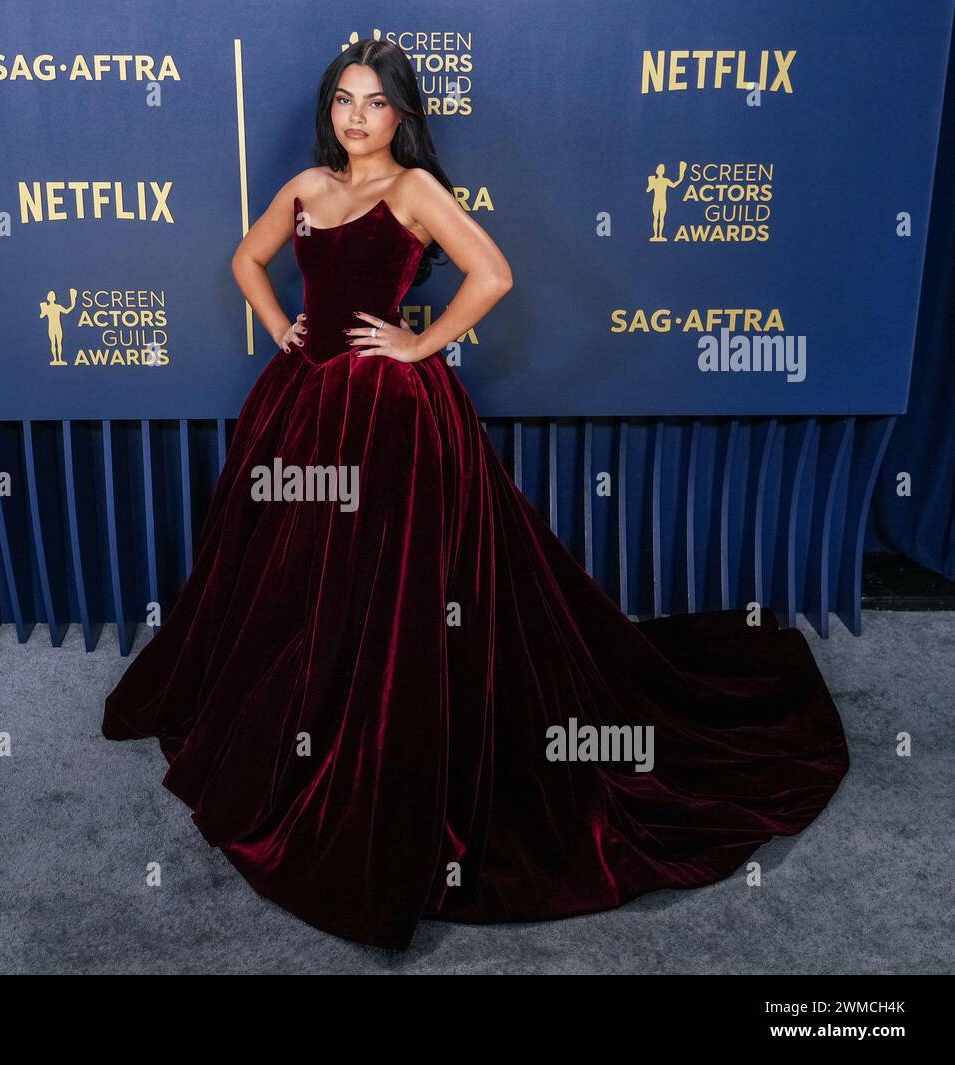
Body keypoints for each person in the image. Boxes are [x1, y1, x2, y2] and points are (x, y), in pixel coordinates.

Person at [101, 38, 849, 951]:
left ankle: (375, 743)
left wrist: (420, 345)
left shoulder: (413, 191)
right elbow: (246, 263)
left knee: (396, 589)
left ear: (403, 115)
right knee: (292, 577)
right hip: (301, 410)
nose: (357, 117)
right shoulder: (305, 187)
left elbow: (494, 275)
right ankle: (301, 720)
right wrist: (281, 329)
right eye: (345, 100)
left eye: (376, 104)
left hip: (394, 419)